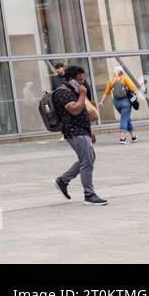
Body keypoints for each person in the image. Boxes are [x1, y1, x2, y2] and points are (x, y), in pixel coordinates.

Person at [52, 66, 108, 206]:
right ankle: (89, 195)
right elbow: (75, 110)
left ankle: (63, 180)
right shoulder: (62, 93)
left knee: (88, 158)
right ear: (71, 79)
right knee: (87, 161)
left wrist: (89, 132)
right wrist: (83, 94)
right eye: (80, 80)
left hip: (82, 130)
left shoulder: (73, 90)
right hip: (74, 131)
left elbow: (82, 112)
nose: (82, 83)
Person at [100, 65, 140, 144]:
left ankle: (133, 136)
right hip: (126, 102)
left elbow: (106, 92)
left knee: (126, 118)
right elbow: (132, 88)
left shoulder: (111, 81)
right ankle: (122, 137)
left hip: (116, 103)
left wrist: (101, 101)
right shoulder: (124, 78)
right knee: (124, 119)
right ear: (121, 72)